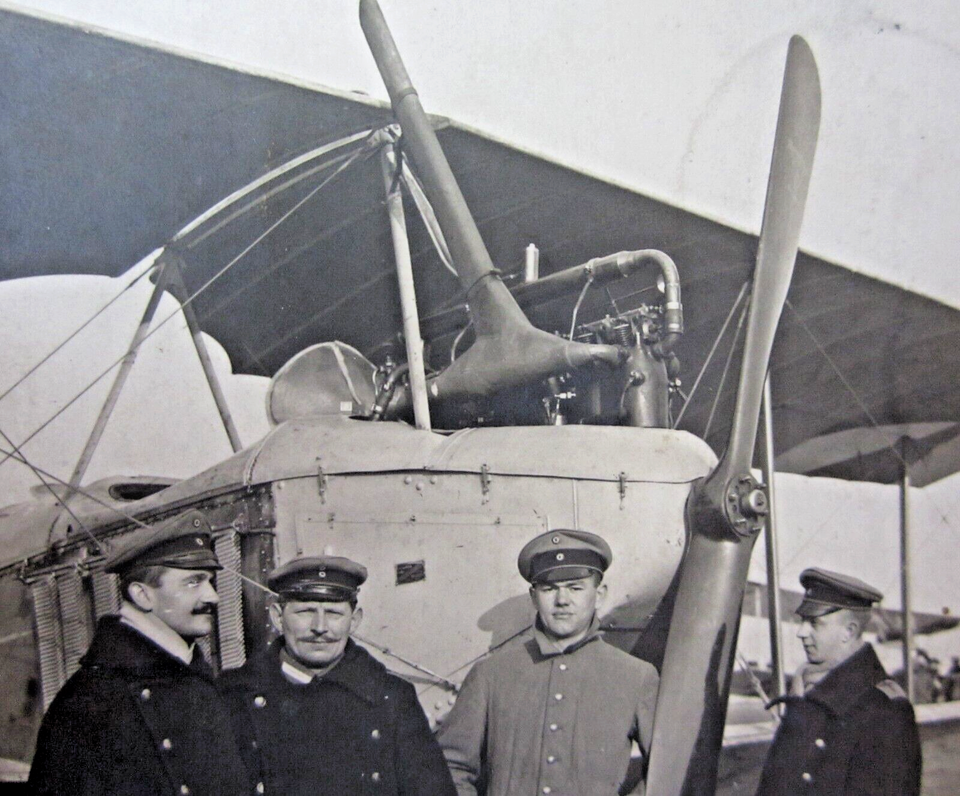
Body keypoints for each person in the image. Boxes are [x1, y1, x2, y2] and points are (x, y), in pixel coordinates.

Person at [28, 509, 250, 796]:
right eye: (193, 582)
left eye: (210, 581)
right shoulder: (90, 699)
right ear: (142, 595)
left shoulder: (197, 681)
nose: (213, 596)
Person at [437, 529, 660, 796]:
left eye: (575, 588)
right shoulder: (490, 674)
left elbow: (668, 771)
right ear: (534, 598)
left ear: (599, 595)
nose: (562, 600)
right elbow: (448, 768)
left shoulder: (636, 677)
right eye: (549, 589)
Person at [218, 556, 456, 796]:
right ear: (278, 617)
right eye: (305, 611)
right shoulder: (234, 696)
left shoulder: (391, 698)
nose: (320, 627)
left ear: (354, 620)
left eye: (333, 613)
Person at [755, 567, 922, 796]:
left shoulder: (885, 709)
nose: (801, 632)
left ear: (849, 631)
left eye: (814, 623)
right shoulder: (805, 689)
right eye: (803, 621)